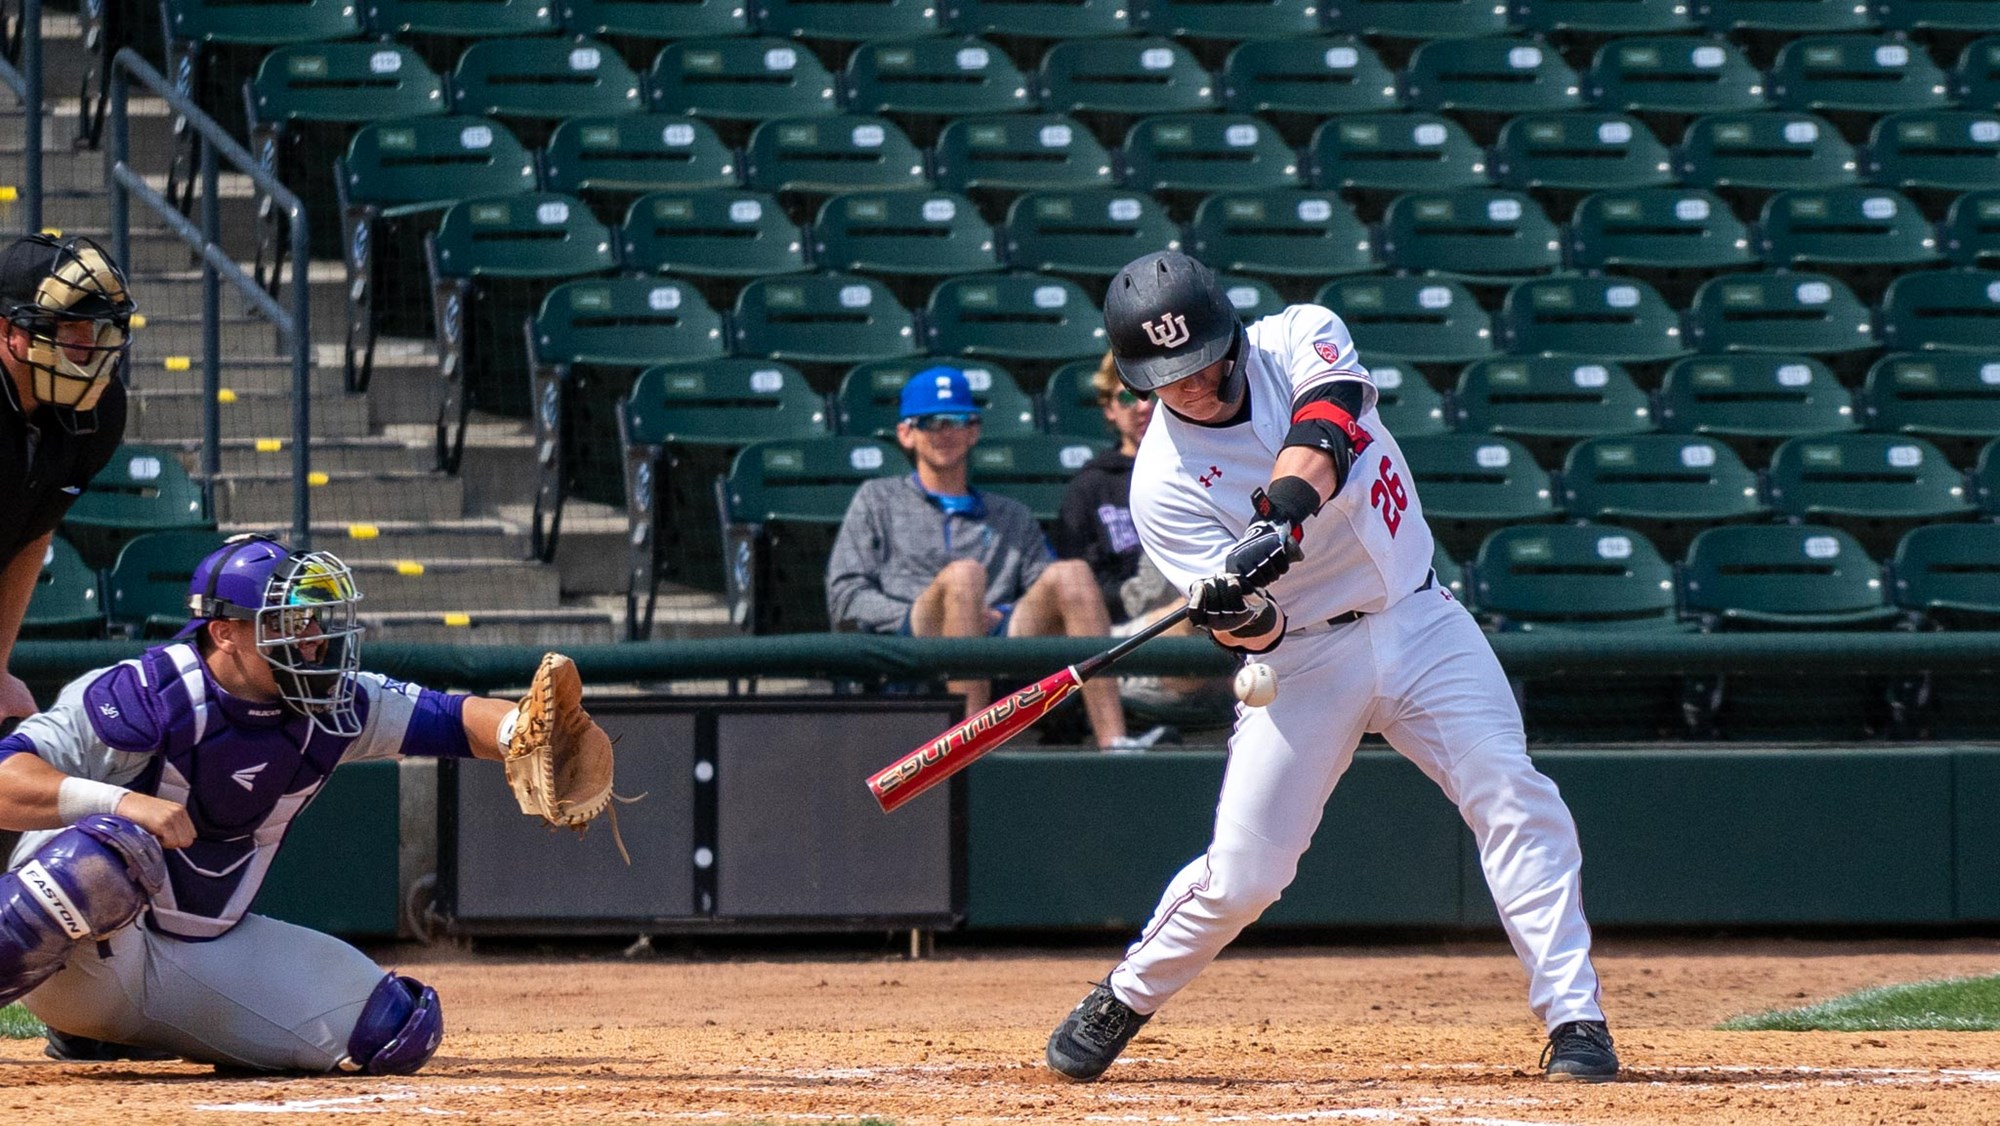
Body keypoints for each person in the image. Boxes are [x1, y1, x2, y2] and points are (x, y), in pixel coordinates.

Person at [1043, 252, 1618, 1083]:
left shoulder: (1301, 336)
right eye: (1169, 376)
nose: (1192, 384)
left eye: (1203, 361)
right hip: (1308, 659)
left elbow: (1328, 426)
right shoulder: (1162, 485)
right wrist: (1235, 612)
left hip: (1420, 619)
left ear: (1232, 339)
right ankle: (1126, 993)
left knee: (1512, 792)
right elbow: (1261, 641)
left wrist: (1276, 521)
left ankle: (1575, 1021)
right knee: (1246, 876)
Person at [0, 534, 607, 1073]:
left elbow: (455, 717)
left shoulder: (336, 705)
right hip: (80, 956)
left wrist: (521, 734)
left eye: (313, 619)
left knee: (395, 1030)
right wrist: (119, 801)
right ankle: (85, 1020)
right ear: (225, 632)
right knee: (103, 854)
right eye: (287, 622)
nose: (312, 638)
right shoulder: (141, 694)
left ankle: (123, 1037)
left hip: (201, 947)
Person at [826, 365, 1162, 751]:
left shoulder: (1011, 515)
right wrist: (922, 611)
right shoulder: (877, 499)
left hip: (1000, 638)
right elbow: (845, 596)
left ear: (975, 431)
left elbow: (1045, 587)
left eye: (959, 421)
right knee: (964, 578)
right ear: (906, 432)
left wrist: (997, 612)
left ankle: (1115, 741)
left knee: (1072, 574)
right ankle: (968, 748)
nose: (946, 432)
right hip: (913, 634)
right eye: (932, 422)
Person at [0, 234, 136, 723]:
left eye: (96, 328)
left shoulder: (99, 412)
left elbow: (32, 534)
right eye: (66, 327)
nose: (86, 346)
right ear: (6, 331)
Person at [1054, 352, 1220, 715]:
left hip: (1196, 616)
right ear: (1109, 410)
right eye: (1127, 397)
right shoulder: (1090, 486)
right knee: (1202, 610)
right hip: (1119, 636)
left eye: (1151, 395)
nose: (1141, 407)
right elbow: (1078, 592)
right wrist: (1138, 593)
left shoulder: (1197, 471)